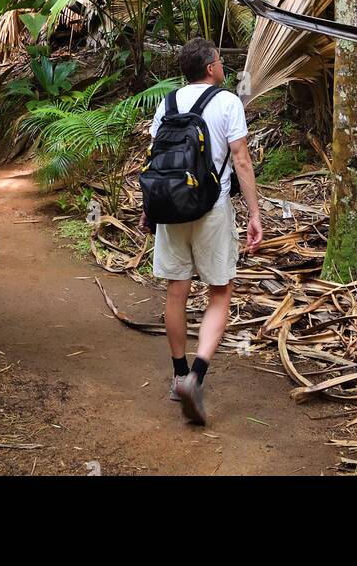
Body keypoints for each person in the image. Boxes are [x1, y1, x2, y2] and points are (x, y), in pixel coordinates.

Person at [141, 37, 263, 426]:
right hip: (212, 209)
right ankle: (197, 376)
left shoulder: (168, 103)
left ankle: (177, 376)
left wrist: (150, 209)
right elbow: (241, 161)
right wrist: (256, 214)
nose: (223, 67)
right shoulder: (227, 102)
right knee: (220, 292)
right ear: (210, 68)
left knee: (176, 291)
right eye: (220, 62)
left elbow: (158, 160)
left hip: (171, 209)